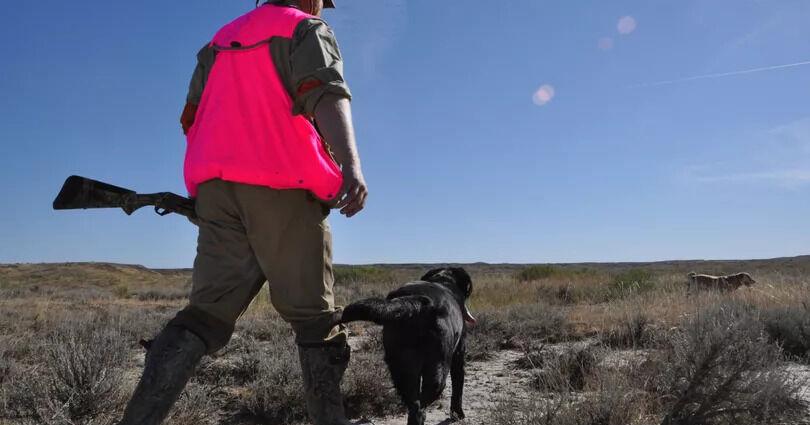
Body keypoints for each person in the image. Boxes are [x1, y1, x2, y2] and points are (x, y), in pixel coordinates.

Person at [117, 0, 367, 423]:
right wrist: (351, 165)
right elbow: (325, 93)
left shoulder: (218, 42)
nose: (323, 10)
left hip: (216, 191)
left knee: (204, 316)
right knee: (315, 322)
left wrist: (217, 185)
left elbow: (191, 119)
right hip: (284, 187)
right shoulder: (305, 29)